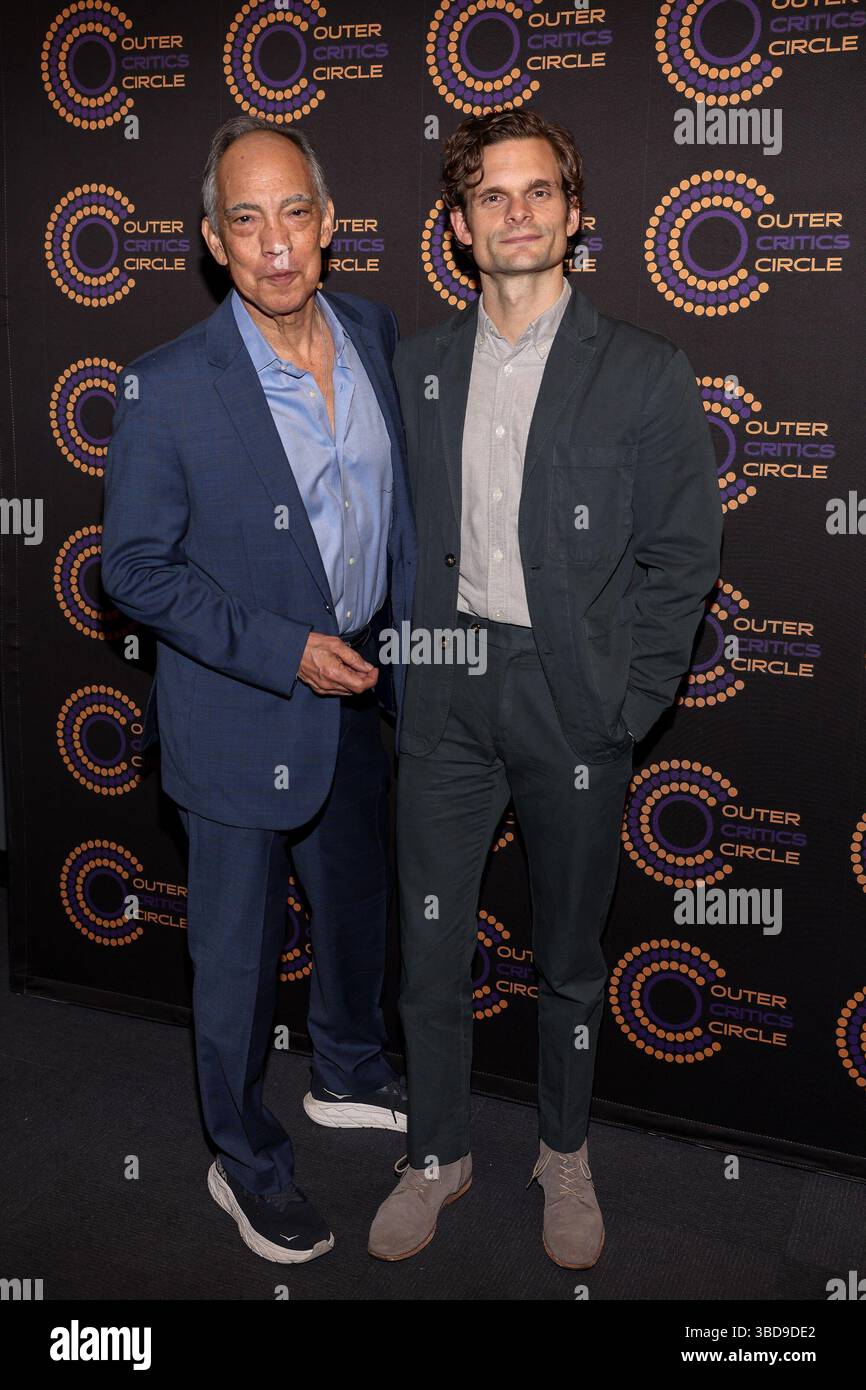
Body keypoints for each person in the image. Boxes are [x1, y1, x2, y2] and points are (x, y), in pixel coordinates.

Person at [368, 108, 723, 1268]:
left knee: (568, 955)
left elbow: (682, 556)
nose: (512, 213)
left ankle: (561, 1151)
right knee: (426, 947)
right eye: (488, 196)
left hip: (575, 699)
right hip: (447, 687)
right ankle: (435, 1151)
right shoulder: (415, 368)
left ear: (572, 216)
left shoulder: (643, 370)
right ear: (458, 227)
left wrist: (627, 702)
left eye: (535, 192)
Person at [102, 115, 416, 1264]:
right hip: (241, 711)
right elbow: (128, 569)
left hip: (360, 701)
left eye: (294, 213)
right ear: (211, 240)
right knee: (234, 965)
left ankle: (344, 1070)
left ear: (328, 226)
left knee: (355, 908)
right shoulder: (165, 388)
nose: (275, 243)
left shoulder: (377, 332)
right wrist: (282, 647)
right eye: (246, 218)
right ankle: (245, 1161)